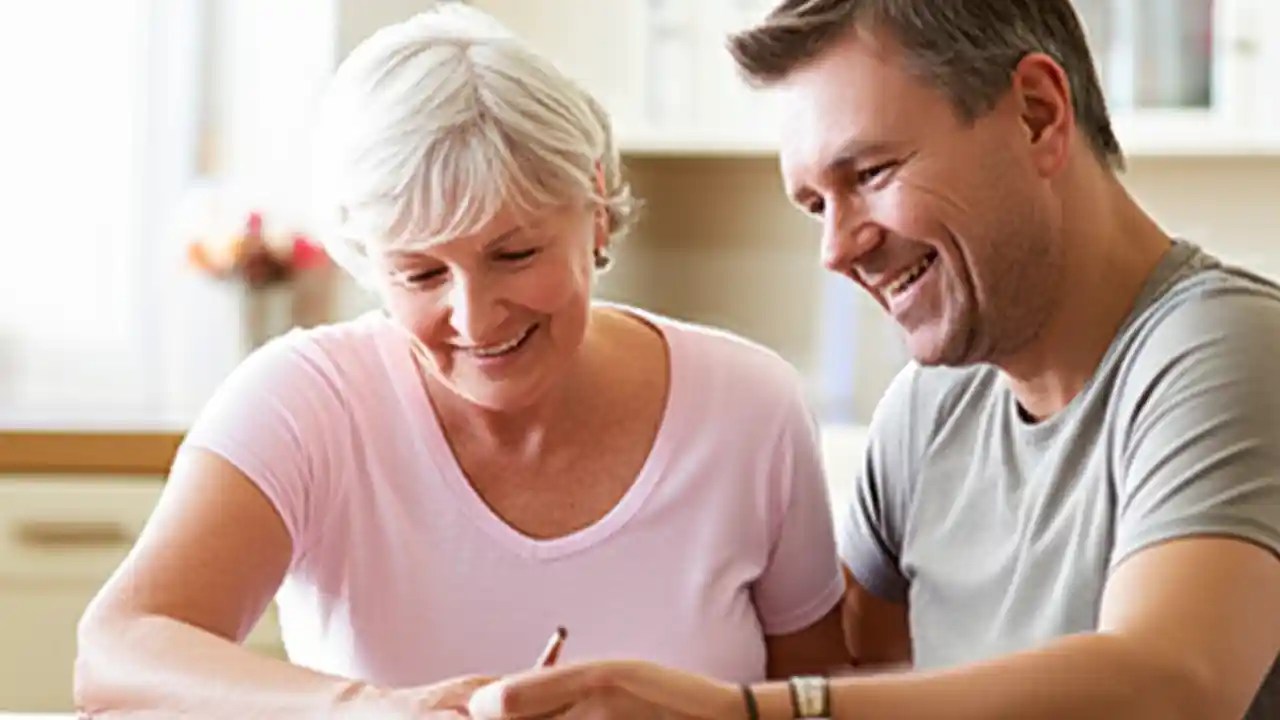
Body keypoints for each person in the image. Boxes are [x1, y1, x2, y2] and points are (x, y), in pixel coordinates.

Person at [467, 1, 1280, 718]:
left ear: (1036, 114)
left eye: (872, 173)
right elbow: (864, 678)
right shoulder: (930, 409)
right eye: (816, 203)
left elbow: (1174, 684)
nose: (836, 247)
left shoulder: (1227, 348)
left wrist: (749, 714)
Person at [72, 4, 851, 717]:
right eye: (420, 274)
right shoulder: (305, 403)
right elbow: (116, 654)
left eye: (514, 253)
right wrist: (370, 709)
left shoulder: (750, 406)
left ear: (595, 199)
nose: (475, 318)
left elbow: (826, 699)